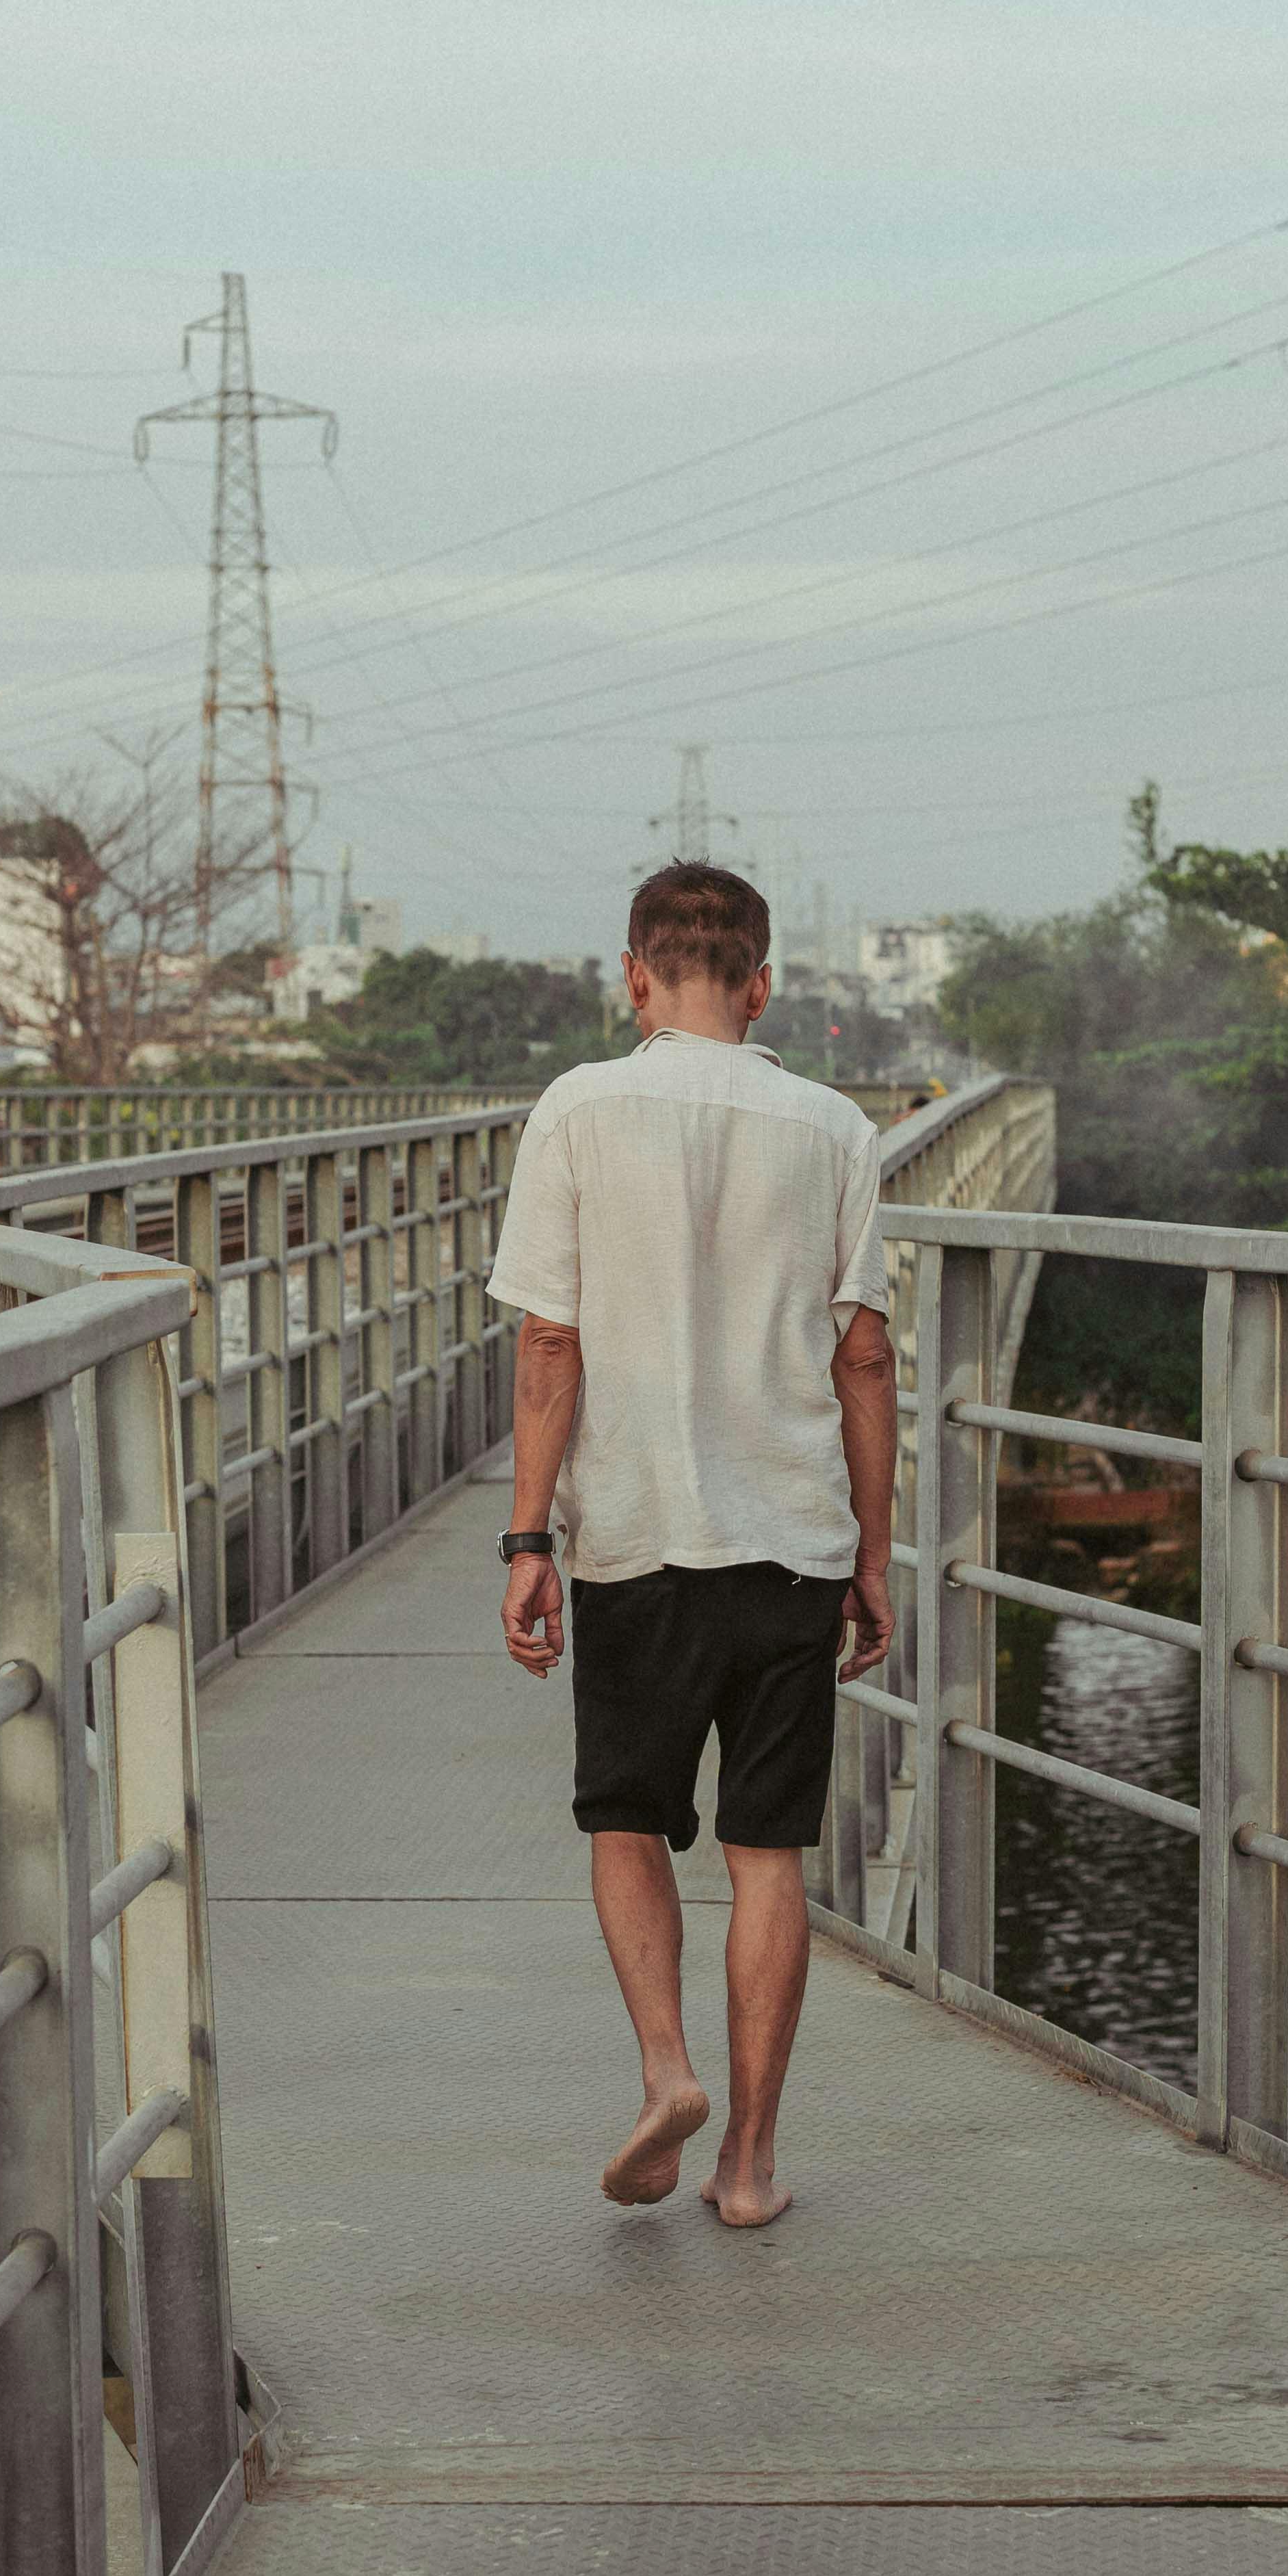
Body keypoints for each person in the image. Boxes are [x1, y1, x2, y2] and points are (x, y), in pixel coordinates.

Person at [484, 860, 897, 2228]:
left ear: (634, 978)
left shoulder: (579, 1108)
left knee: (624, 1819)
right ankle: (749, 2169)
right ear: (764, 982)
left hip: (638, 1541)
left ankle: (666, 2073)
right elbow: (864, 1361)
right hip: (789, 1540)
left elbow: (551, 1342)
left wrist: (526, 1536)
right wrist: (874, 1559)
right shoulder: (835, 1129)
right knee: (766, 1854)